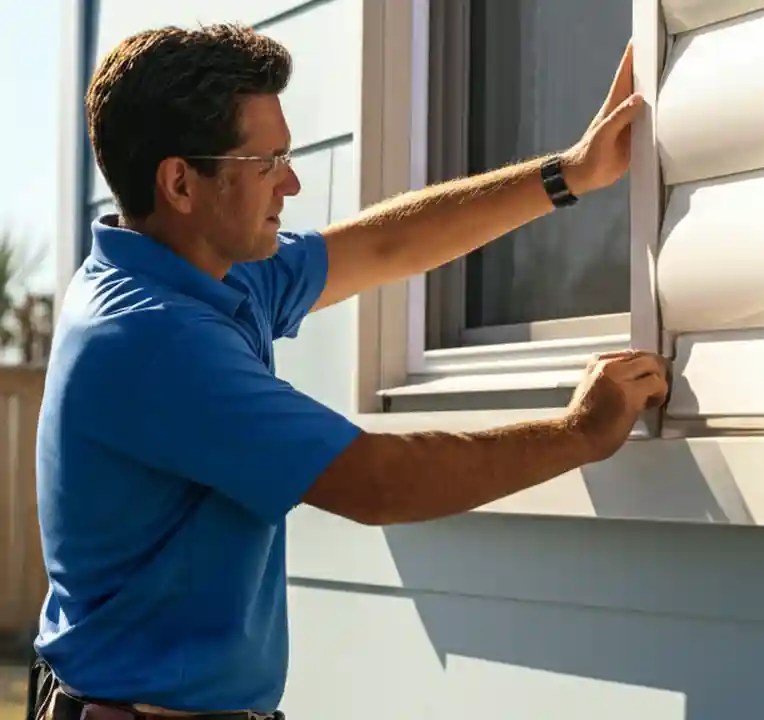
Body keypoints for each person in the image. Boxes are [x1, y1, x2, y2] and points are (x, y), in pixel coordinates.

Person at [28, 23, 667, 720]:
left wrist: (570, 173)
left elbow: (385, 245)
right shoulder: (153, 335)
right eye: (268, 161)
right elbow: (378, 483)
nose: (292, 182)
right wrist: (579, 433)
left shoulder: (202, 269)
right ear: (181, 182)